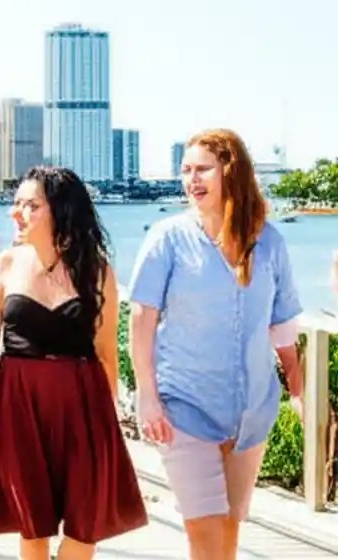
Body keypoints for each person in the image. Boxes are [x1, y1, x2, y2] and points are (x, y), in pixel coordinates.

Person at [128, 130, 302, 560]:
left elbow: (282, 327)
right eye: (185, 170)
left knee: (227, 531)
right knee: (204, 534)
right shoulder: (167, 238)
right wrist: (148, 397)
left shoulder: (270, 243)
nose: (191, 179)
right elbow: (141, 318)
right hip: (183, 409)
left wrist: (298, 391)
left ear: (231, 170)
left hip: (251, 412)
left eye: (202, 168)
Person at [0, 166, 147, 559]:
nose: (17, 213)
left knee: (85, 526)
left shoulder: (96, 270)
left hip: (84, 402)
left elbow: (105, 354)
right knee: (32, 525)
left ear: (60, 210)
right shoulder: (4, 267)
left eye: (31, 205)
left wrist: (110, 421)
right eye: (16, 204)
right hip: (19, 402)